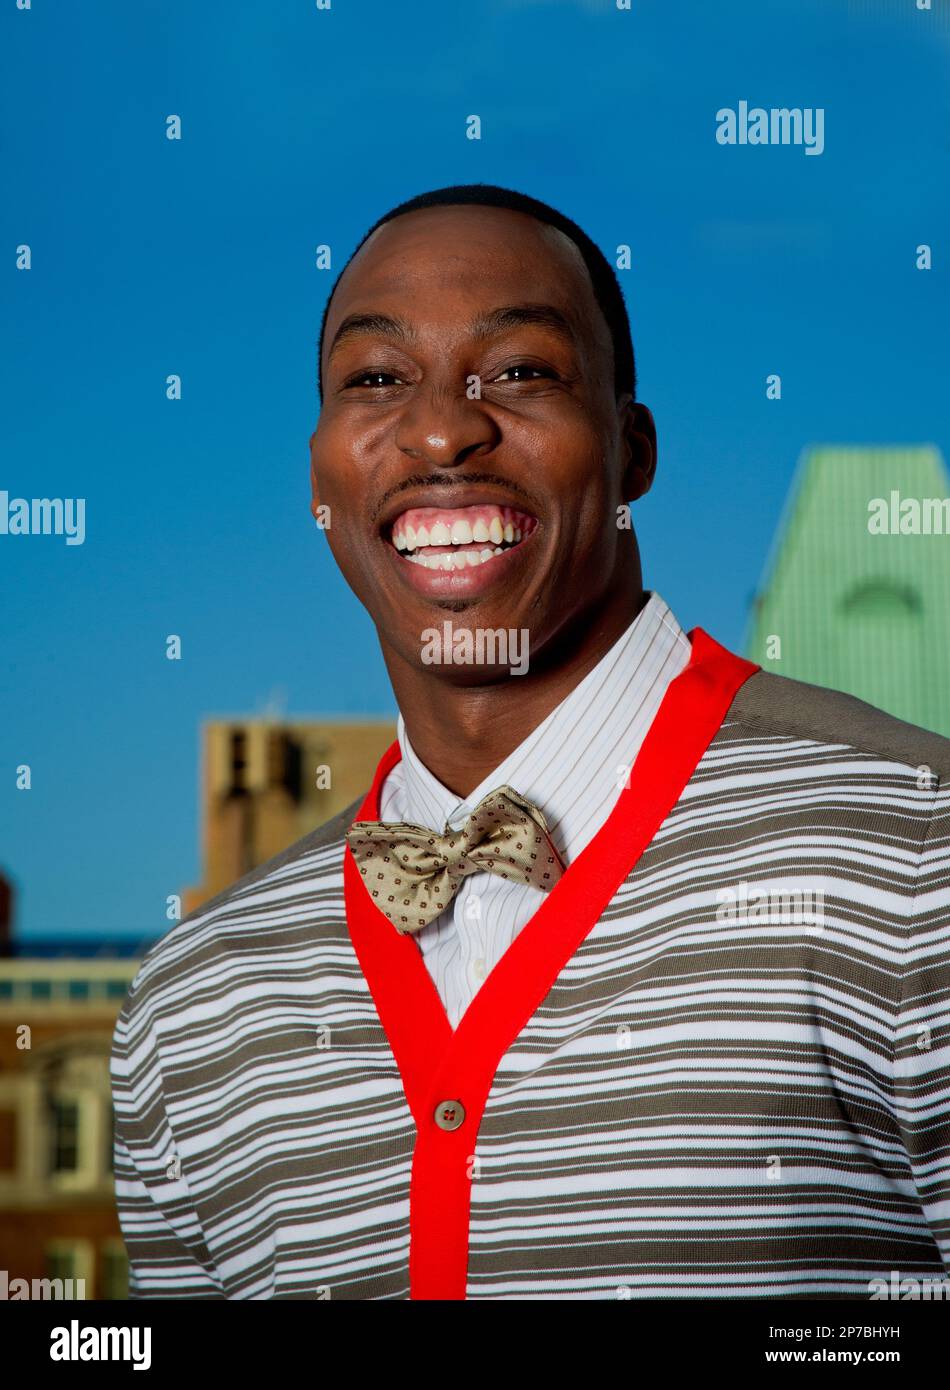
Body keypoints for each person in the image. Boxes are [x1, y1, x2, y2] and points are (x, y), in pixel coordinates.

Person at [111, 184, 950, 1300]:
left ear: (631, 448)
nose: (440, 427)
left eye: (518, 372)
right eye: (374, 379)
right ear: (317, 473)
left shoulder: (908, 846)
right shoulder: (192, 1002)